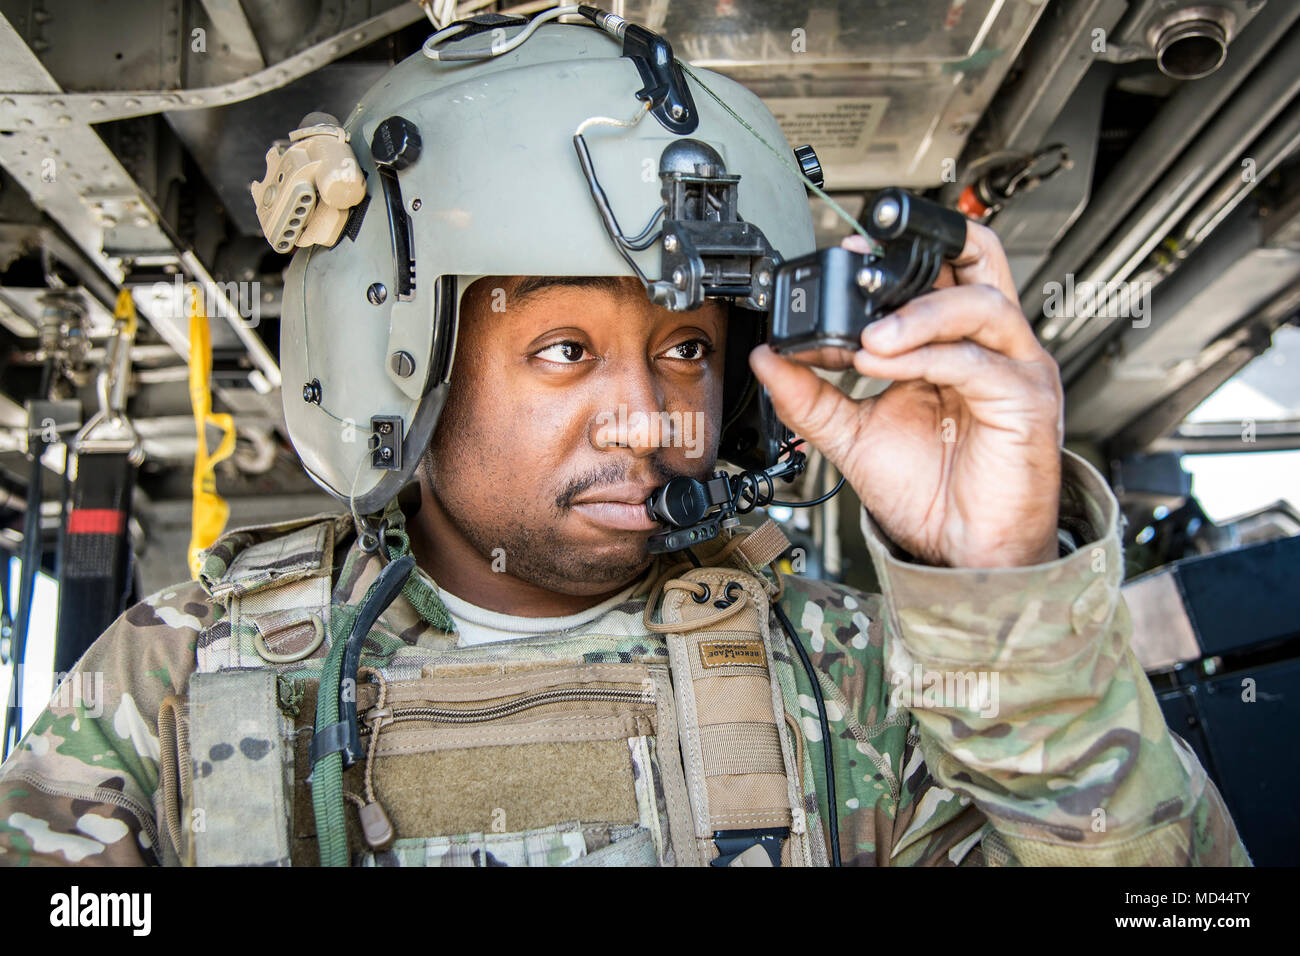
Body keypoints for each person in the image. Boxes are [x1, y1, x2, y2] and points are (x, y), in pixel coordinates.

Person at [0, 10, 1247, 867]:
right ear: (400, 366)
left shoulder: (858, 676)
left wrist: (999, 586)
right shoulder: (168, 682)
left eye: (687, 348)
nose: (646, 411)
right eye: (562, 349)